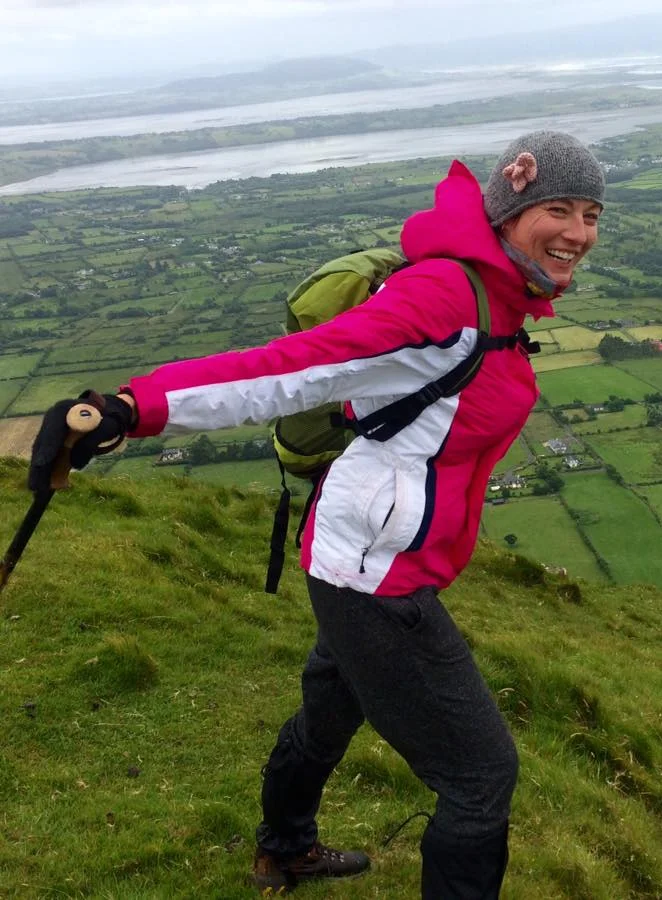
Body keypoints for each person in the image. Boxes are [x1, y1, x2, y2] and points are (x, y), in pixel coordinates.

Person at [29, 130, 605, 898]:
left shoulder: (501, 298)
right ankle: (287, 846)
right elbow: (289, 371)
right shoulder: (445, 297)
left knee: (329, 715)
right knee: (481, 777)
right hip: (375, 578)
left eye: (592, 213)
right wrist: (134, 407)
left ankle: (282, 849)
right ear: (507, 209)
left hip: (363, 552)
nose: (578, 232)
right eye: (557, 208)